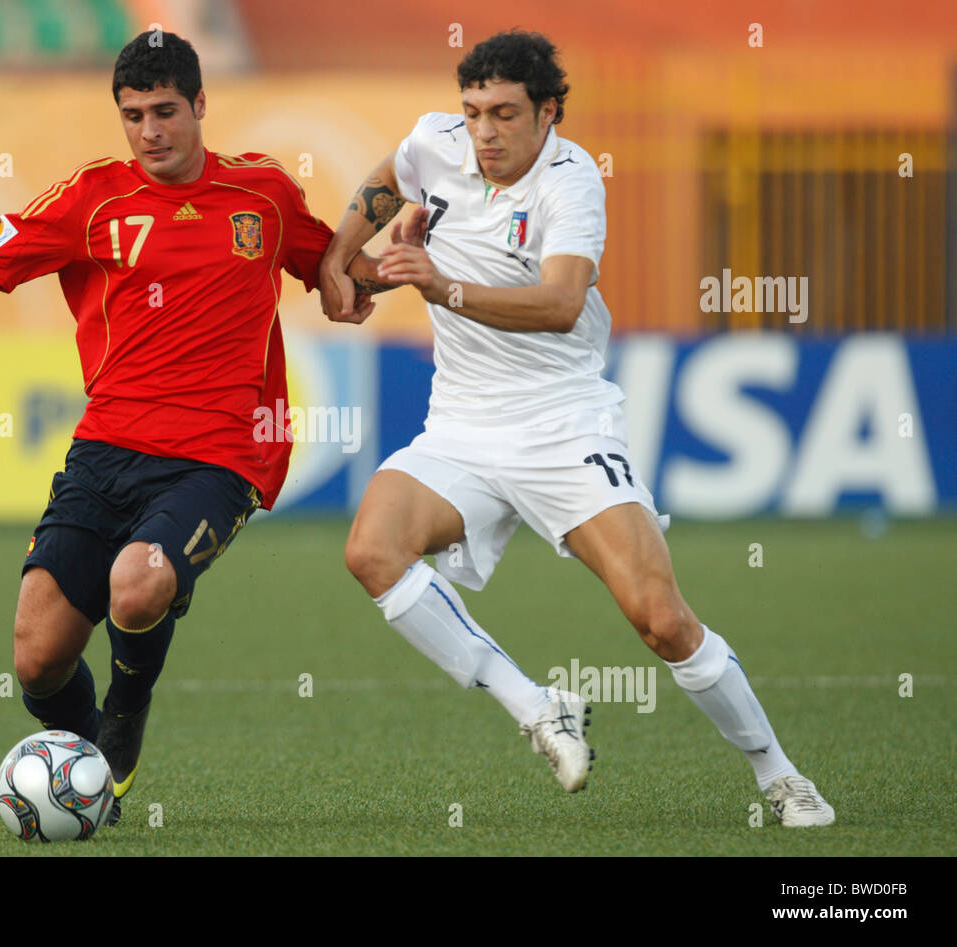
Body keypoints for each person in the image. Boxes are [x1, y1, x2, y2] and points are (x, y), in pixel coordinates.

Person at [0, 30, 362, 825]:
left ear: (199, 106)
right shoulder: (91, 199)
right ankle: (88, 773)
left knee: (138, 579)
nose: (150, 131)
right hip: (105, 450)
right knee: (38, 657)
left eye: (164, 112)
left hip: (222, 455)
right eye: (132, 116)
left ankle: (123, 720)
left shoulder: (263, 195)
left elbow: (335, 275)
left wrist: (371, 267)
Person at [318, 29, 834, 826]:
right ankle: (536, 706)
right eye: (472, 112)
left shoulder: (573, 180)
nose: (483, 132)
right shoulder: (437, 141)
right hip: (460, 422)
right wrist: (342, 253)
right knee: (370, 550)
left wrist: (439, 285)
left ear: (548, 112)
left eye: (503, 114)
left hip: (564, 419)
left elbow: (560, 306)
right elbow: (388, 177)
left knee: (659, 618)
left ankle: (779, 773)